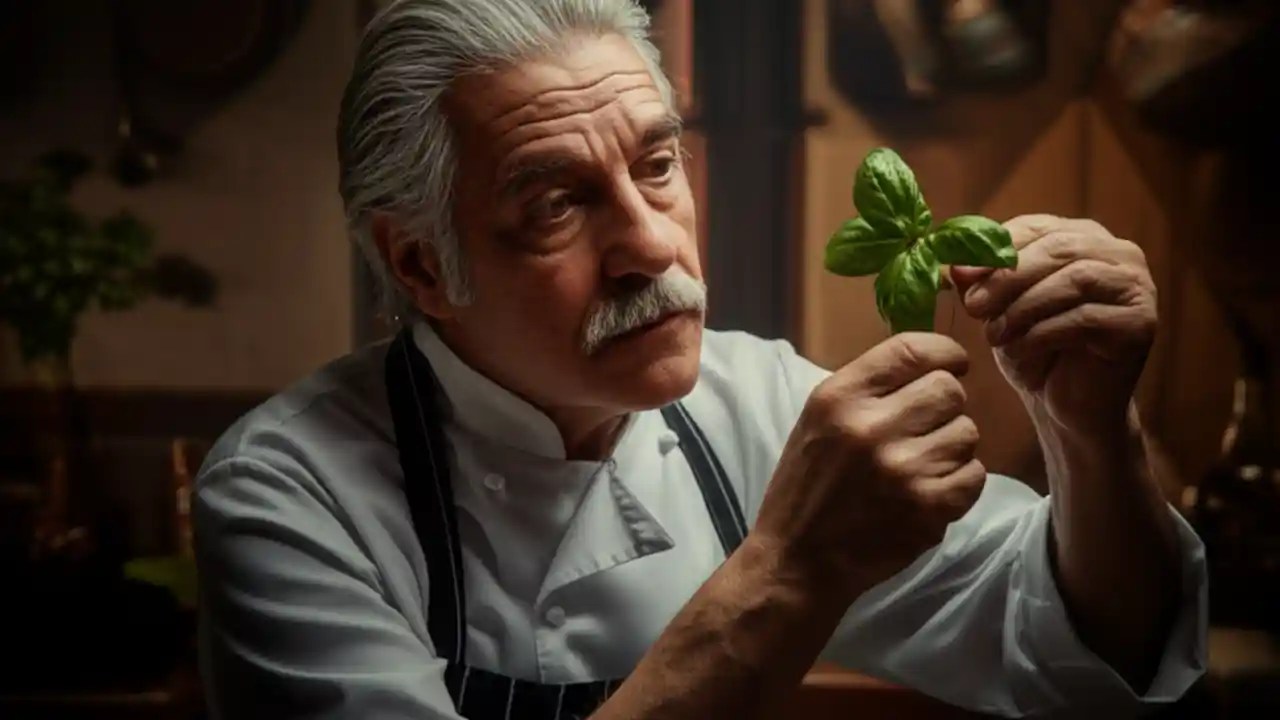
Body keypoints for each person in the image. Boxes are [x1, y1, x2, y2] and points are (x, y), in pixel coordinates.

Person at [192, 1, 1207, 718]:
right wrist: (786, 570)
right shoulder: (290, 492)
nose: (648, 243)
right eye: (554, 202)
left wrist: (1086, 432)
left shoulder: (759, 404)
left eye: (656, 165)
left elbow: (1087, 656)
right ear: (419, 263)